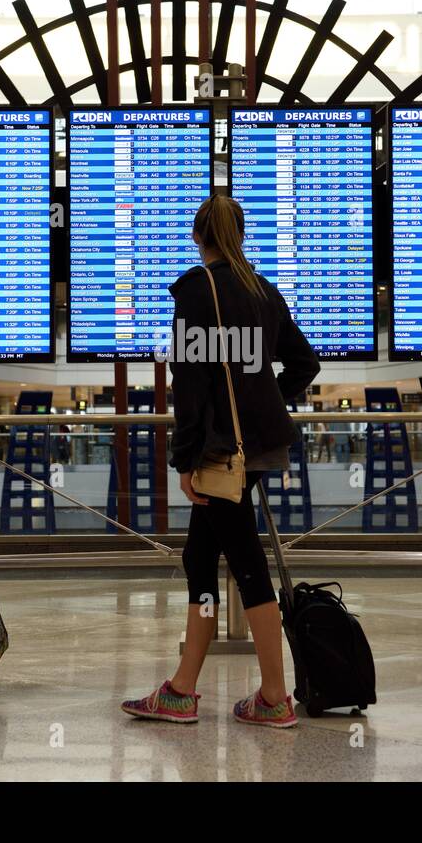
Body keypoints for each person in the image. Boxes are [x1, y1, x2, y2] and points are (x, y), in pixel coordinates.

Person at [122, 194, 318, 728]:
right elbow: (305, 362)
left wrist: (186, 458)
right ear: (241, 234)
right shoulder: (263, 291)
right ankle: (182, 689)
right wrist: (265, 400)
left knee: (246, 564)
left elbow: (190, 382)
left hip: (219, 452)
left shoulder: (196, 291)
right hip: (257, 448)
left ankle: (274, 697)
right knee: (200, 558)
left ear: (197, 235)